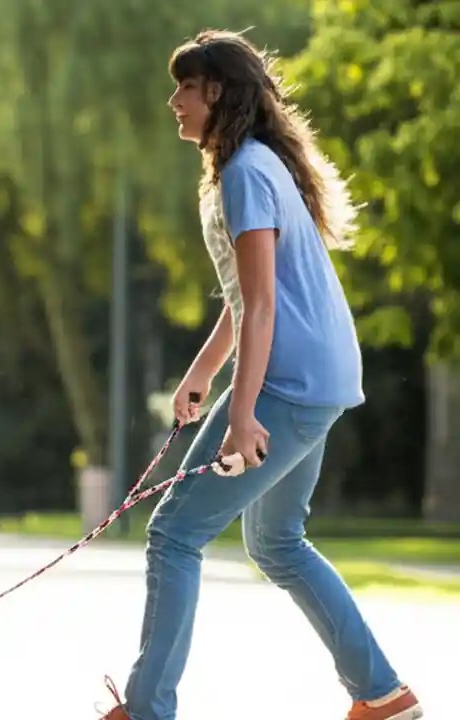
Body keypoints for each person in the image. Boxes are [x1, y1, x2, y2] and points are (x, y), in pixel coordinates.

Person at [99, 30, 422, 720]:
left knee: (173, 534)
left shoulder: (246, 171)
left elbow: (265, 305)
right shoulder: (252, 165)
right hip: (321, 375)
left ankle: (148, 709)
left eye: (185, 87)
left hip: (291, 381)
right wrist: (201, 375)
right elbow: (248, 297)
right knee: (277, 542)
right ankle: (382, 695)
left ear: (217, 91)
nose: (173, 102)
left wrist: (242, 416)